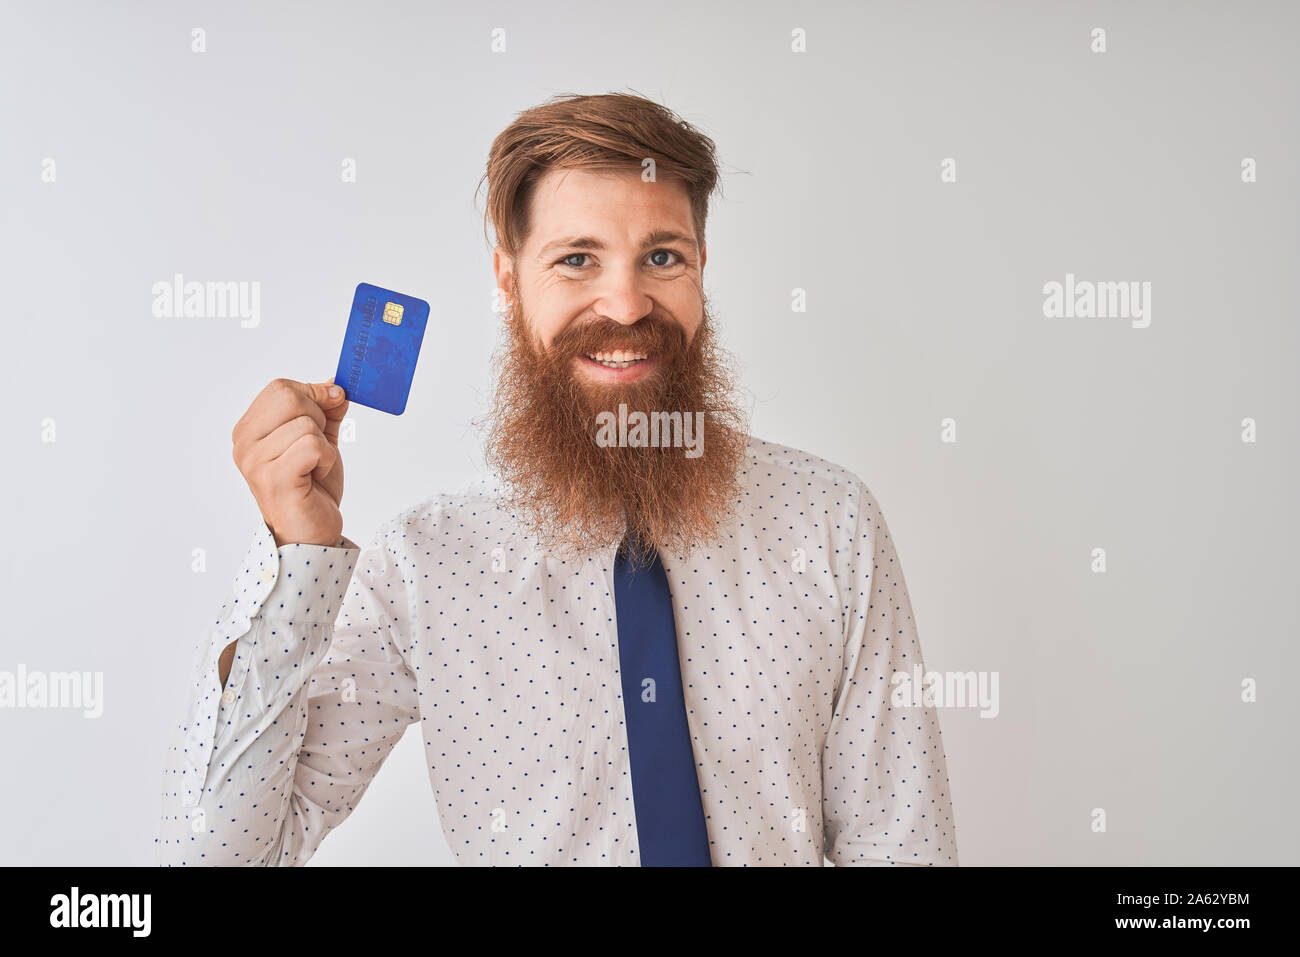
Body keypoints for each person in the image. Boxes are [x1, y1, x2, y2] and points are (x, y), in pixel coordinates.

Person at [156, 91, 959, 866]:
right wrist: (298, 561)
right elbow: (218, 860)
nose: (625, 302)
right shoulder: (423, 565)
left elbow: (903, 850)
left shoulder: (829, 522)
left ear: (702, 270)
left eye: (662, 257)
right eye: (577, 259)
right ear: (508, 283)